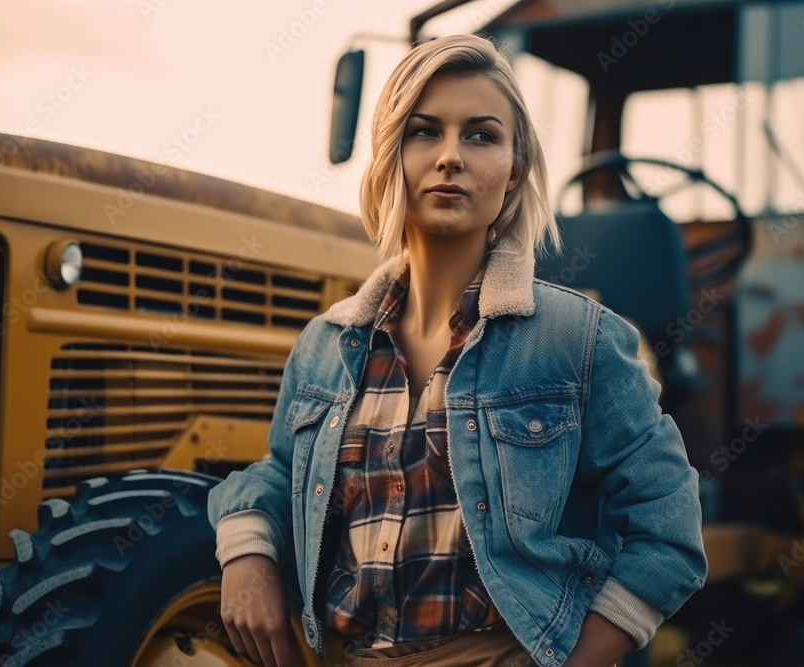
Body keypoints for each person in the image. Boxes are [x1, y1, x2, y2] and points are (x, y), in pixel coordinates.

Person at [207, 34, 707, 667]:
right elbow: (280, 472)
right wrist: (246, 551)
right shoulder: (325, 345)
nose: (449, 157)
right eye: (424, 132)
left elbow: (668, 528)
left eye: (480, 135)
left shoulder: (577, 340)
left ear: (516, 168)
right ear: (392, 157)